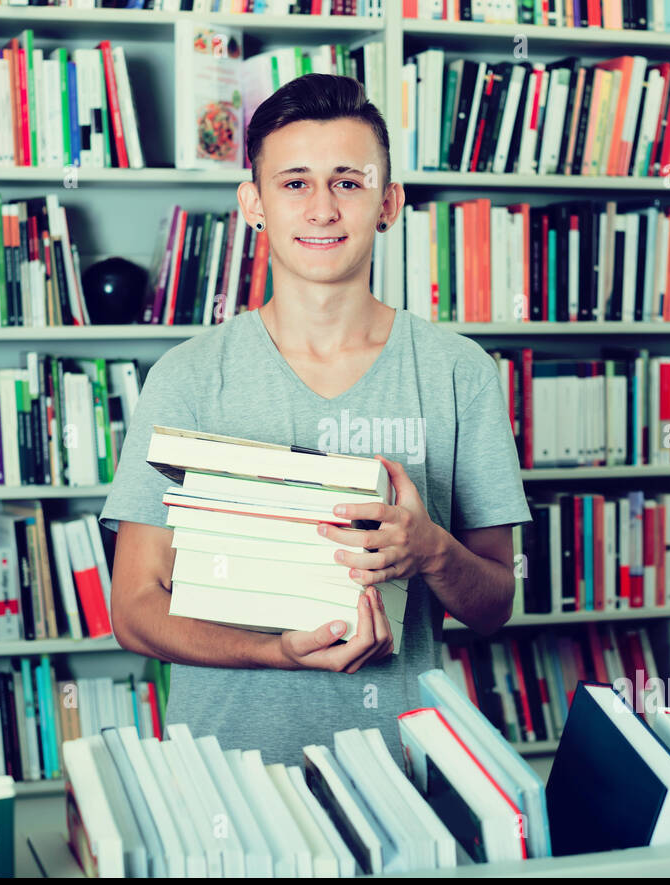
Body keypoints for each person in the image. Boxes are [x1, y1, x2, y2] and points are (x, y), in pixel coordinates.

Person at [101, 72, 531, 766]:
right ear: (255, 202)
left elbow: (495, 602)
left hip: (400, 772)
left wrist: (431, 550)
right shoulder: (184, 377)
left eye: (349, 182)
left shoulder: (460, 373)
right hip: (225, 778)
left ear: (388, 202)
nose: (322, 208)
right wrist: (274, 652)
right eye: (295, 182)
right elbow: (134, 608)